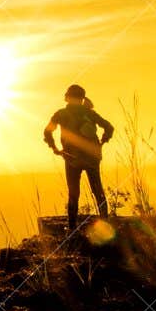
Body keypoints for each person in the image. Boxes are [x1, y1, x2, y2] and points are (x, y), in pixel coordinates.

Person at [44, 83, 114, 230]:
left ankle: (72, 228)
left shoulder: (61, 114)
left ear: (67, 98)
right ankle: (105, 223)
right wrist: (102, 141)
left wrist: (55, 148)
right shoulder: (89, 113)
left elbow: (47, 132)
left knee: (73, 193)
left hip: (71, 158)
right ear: (82, 99)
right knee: (98, 191)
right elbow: (109, 127)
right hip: (92, 157)